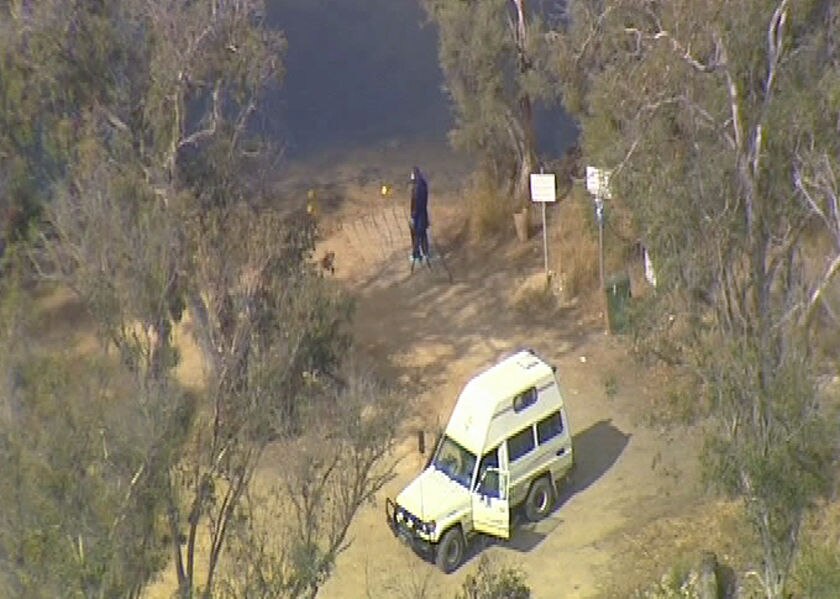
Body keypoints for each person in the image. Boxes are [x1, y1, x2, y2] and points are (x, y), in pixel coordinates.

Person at [409, 166, 429, 263]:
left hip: (418, 216)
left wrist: (413, 216)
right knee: (423, 234)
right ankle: (426, 253)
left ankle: (416, 254)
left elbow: (415, 203)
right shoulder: (424, 184)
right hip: (424, 214)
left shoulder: (416, 188)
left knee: (416, 234)